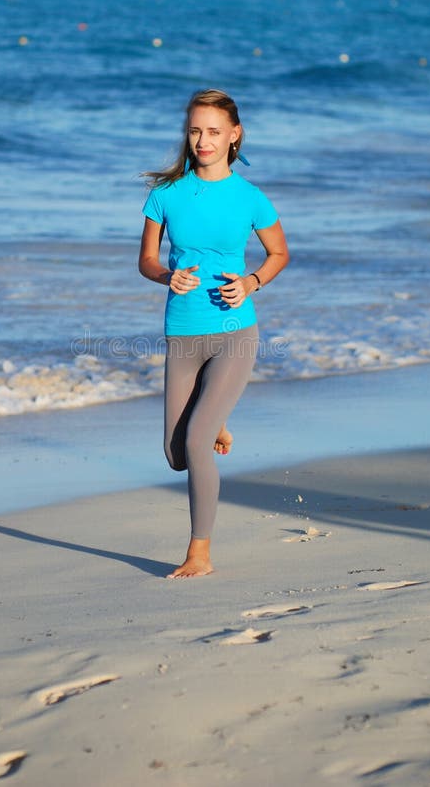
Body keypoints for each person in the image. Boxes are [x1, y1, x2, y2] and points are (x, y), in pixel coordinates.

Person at [138, 88, 289, 578]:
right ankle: (215, 415)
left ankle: (199, 553)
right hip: (182, 334)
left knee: (198, 442)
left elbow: (279, 254)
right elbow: (146, 260)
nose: (203, 140)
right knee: (176, 455)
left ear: (234, 135)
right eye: (196, 130)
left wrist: (250, 282)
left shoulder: (250, 197)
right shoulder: (165, 194)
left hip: (233, 333)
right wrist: (166, 276)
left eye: (214, 131)